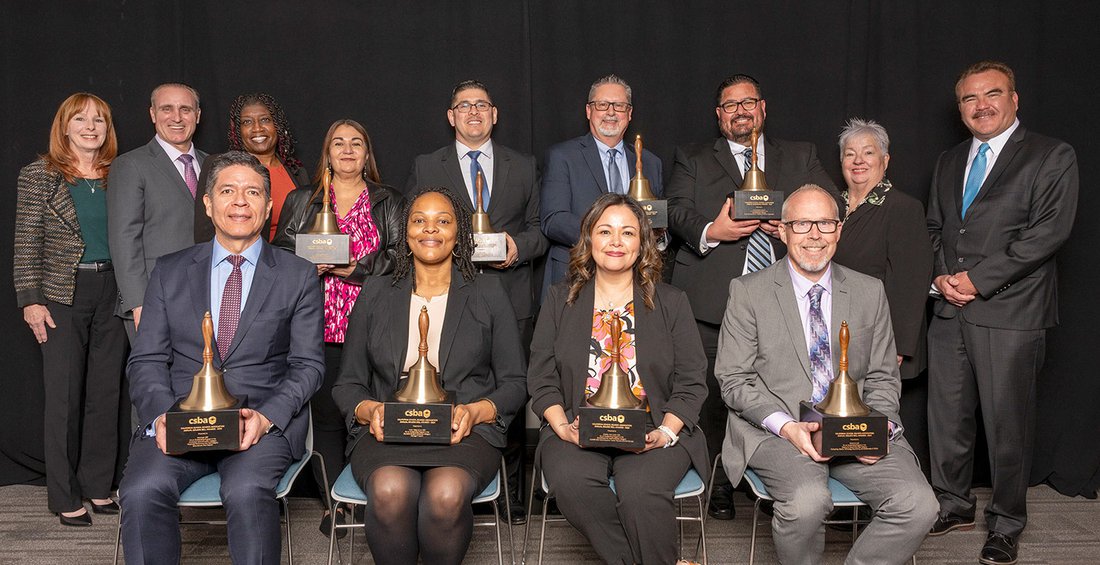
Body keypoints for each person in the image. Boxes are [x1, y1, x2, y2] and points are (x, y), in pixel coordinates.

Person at [118, 151, 324, 564]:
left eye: (253, 192)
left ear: (268, 207)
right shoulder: (169, 271)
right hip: (178, 420)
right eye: (227, 191)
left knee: (247, 491)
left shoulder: (296, 274)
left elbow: (309, 366)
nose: (240, 202)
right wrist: (162, 417)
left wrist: (266, 418)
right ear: (209, 204)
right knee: (142, 490)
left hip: (257, 423)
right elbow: (145, 361)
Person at [715, 184, 938, 565]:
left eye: (825, 223)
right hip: (781, 433)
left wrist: (876, 431)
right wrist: (787, 426)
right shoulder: (748, 292)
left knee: (918, 505)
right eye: (802, 224)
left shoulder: (869, 292)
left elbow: (884, 376)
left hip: (856, 429)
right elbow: (734, 378)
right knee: (807, 502)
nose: (814, 234)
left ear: (839, 230)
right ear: (783, 231)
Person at [926, 61, 1079, 565]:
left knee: (1008, 425)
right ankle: (953, 503)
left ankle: (1008, 522)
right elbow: (934, 228)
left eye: (992, 94)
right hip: (950, 310)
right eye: (969, 99)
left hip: (1011, 313)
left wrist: (978, 280)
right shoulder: (950, 160)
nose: (981, 105)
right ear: (960, 109)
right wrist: (944, 277)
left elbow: (1048, 233)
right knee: (947, 419)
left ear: (1015, 99)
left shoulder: (1050, 155)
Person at [665, 74, 836, 520]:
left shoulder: (800, 155)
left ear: (763, 107)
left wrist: (798, 227)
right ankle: (718, 483)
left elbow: (832, 204)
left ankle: (774, 480)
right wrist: (711, 231)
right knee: (712, 397)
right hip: (709, 299)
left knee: (778, 390)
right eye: (730, 105)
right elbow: (674, 209)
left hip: (785, 301)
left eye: (749, 102)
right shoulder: (694, 157)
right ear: (719, 115)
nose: (741, 111)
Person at [332, 187, 526, 565]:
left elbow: (516, 383)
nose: (430, 230)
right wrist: (371, 411)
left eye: (443, 221)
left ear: (460, 233)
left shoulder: (489, 291)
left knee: (446, 495)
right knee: (390, 490)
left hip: (464, 431)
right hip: (387, 430)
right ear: (405, 232)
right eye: (419, 220)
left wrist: (476, 412)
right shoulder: (375, 292)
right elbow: (348, 383)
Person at [528, 193, 709, 565]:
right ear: (588, 239)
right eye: (605, 231)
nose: (615, 242)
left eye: (627, 233)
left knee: (640, 489)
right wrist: (562, 427)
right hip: (575, 430)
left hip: (654, 426)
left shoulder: (672, 302)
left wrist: (666, 433)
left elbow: (692, 380)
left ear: (642, 243)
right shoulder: (559, 299)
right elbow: (541, 374)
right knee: (574, 484)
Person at [405, 79, 548, 523]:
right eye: (463, 106)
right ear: (451, 116)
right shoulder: (427, 165)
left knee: (509, 391)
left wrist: (516, 247)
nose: (473, 113)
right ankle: (448, 473)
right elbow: (416, 226)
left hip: (510, 295)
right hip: (447, 293)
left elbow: (541, 229)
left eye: (481, 106)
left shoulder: (522, 165)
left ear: (494, 114)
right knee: (455, 378)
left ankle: (511, 494)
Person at [272, 118, 403, 535]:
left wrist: (354, 267)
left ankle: (372, 492)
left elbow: (404, 257)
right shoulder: (300, 200)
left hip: (374, 324)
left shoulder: (389, 201)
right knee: (327, 415)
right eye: (338, 144)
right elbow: (275, 256)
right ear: (326, 153)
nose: (347, 151)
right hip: (316, 324)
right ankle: (336, 503)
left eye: (356, 144)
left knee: (370, 411)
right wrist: (304, 265)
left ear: (367, 154)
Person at [13, 93, 128, 526]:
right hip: (63, 293)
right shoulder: (40, 176)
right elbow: (26, 242)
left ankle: (98, 486)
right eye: (80, 119)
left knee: (106, 393)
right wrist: (31, 301)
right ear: (64, 126)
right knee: (64, 396)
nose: (91, 126)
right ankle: (64, 496)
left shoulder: (120, 173)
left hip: (114, 288)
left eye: (99, 119)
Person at [831, 118, 933, 469]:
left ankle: (876, 500)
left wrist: (898, 346)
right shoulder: (831, 207)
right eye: (850, 153)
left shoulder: (902, 208)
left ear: (885, 160)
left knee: (871, 420)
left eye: (868, 152)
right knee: (839, 417)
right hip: (836, 329)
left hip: (879, 336)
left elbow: (910, 280)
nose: (858, 160)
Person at [541, 74, 662, 290]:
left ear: (630, 113)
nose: (611, 112)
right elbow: (553, 220)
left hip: (635, 280)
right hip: (576, 275)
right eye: (602, 105)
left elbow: (658, 220)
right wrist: (605, 238)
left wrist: (658, 237)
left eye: (619, 106)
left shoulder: (650, 163)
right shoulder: (562, 156)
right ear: (589, 111)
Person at [108, 82, 207, 340]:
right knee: (158, 379)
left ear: (197, 115)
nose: (176, 117)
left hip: (210, 297)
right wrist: (138, 303)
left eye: (185, 109)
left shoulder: (214, 165)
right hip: (156, 299)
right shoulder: (130, 165)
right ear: (153, 114)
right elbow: (123, 240)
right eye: (167, 108)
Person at [194, 92, 310, 243]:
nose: (257, 128)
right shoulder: (219, 166)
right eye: (247, 122)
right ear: (237, 131)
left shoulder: (297, 172)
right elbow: (205, 232)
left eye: (265, 120)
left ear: (278, 125)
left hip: (291, 263)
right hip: (242, 262)